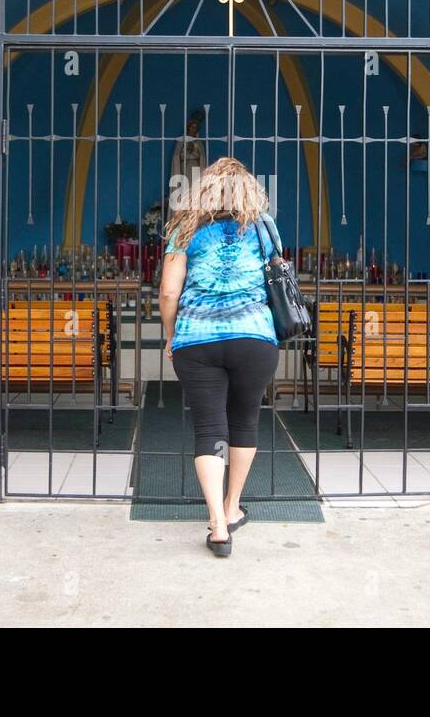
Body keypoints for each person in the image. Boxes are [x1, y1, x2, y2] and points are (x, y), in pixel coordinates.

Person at [158, 157, 281, 558]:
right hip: (254, 337)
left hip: (198, 339)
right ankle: (232, 507)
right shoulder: (264, 228)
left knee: (209, 426)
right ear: (248, 190)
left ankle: (217, 525)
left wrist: (170, 335)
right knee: (245, 421)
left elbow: (168, 293)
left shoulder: (184, 228)